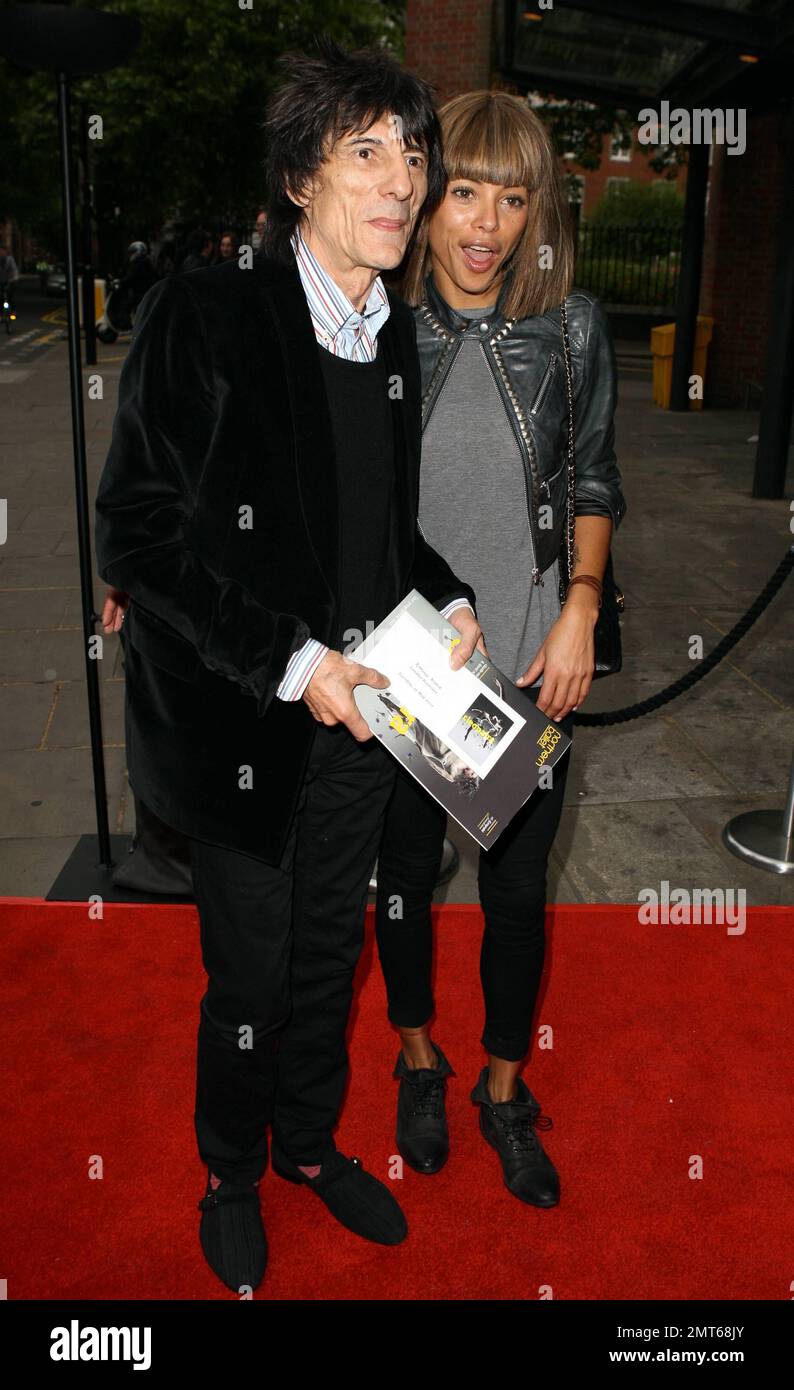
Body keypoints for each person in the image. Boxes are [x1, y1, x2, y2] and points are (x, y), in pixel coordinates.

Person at [93, 37, 481, 1296]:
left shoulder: (390, 339)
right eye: (367, 152)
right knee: (249, 971)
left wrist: (449, 596)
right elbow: (139, 537)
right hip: (240, 722)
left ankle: (309, 1145)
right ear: (301, 176)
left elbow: (373, 536)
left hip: (368, 721)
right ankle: (229, 1172)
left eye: (411, 157)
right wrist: (293, 660)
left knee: (333, 949)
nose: (401, 183)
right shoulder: (206, 313)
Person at [374, 90, 627, 1205]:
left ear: (534, 211)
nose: (483, 223)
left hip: (526, 660)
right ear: (425, 199)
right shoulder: (376, 325)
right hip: (406, 664)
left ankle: (500, 1082)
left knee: (515, 894)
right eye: (462, 191)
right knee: (401, 882)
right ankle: (417, 1053)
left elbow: (592, 477)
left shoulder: (569, 327)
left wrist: (580, 604)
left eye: (509, 197)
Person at [0, 243, 20, 315]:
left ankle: (13, 311)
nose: (1, 253)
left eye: (3, 251)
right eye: (0, 251)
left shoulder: (10, 259)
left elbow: (14, 269)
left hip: (9, 281)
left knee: (10, 295)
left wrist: (15, 277)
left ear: (6, 252)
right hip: (0, 281)